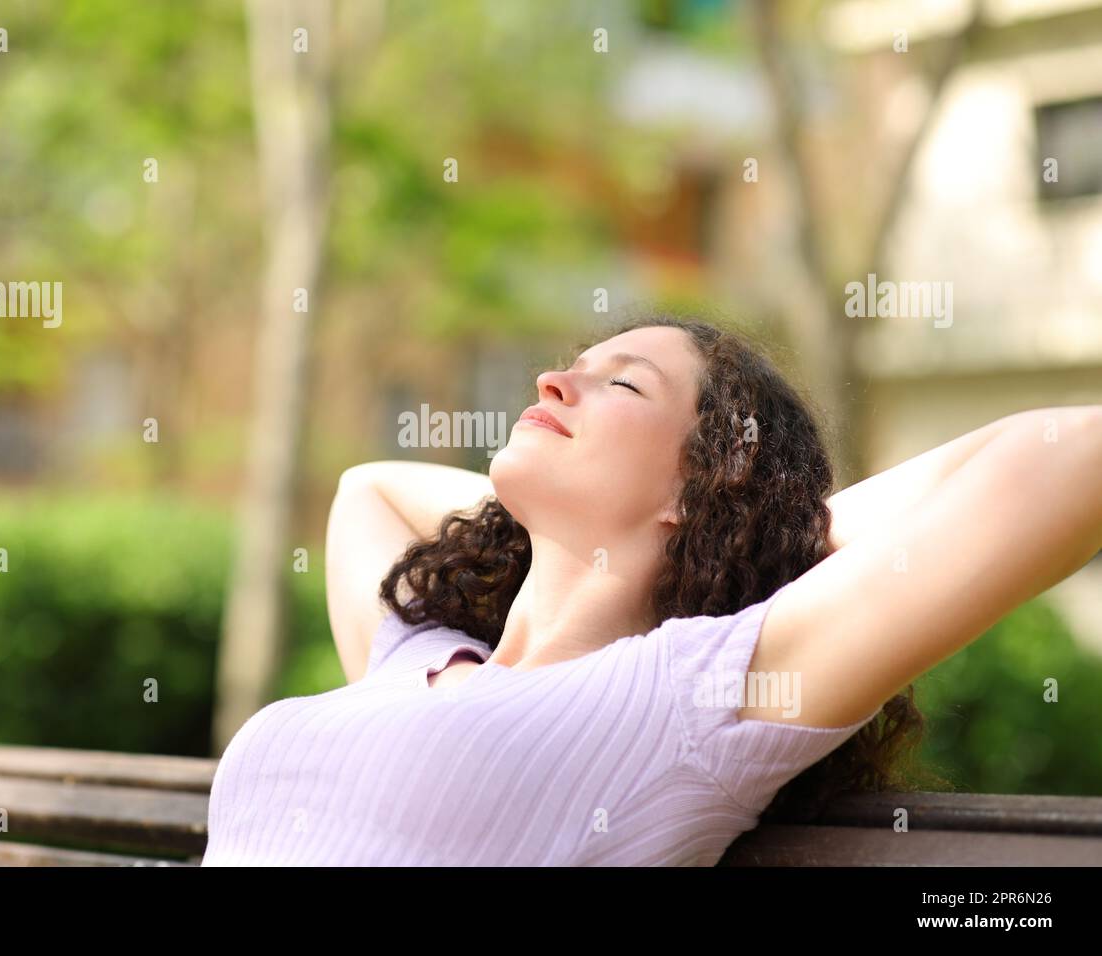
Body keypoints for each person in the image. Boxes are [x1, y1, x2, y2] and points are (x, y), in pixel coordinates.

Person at [202, 313, 1102, 866]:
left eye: (621, 382)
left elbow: (1068, 458)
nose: (554, 381)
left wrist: (769, 527)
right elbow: (368, 489)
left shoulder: (683, 701)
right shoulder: (412, 658)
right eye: (574, 367)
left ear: (706, 480)